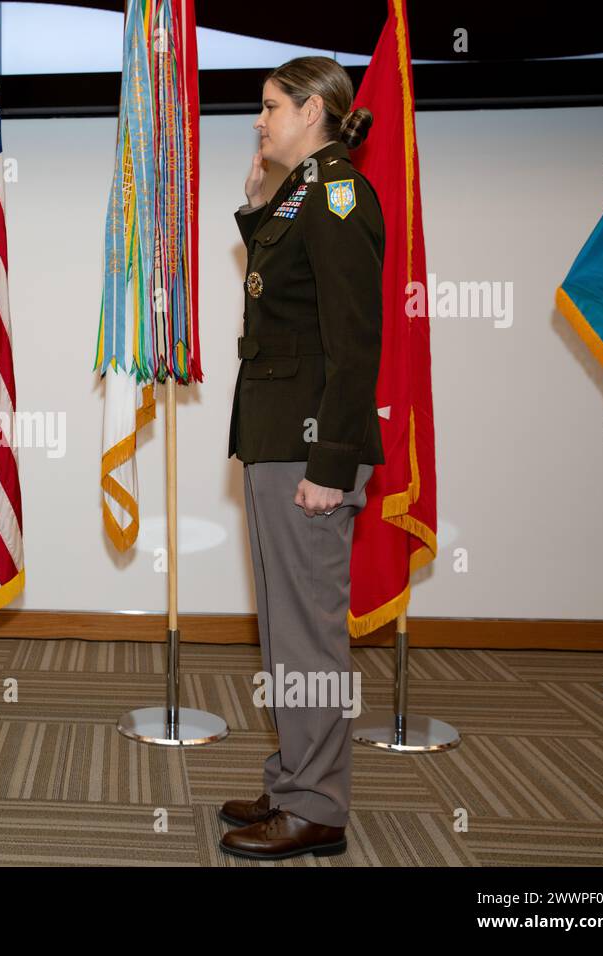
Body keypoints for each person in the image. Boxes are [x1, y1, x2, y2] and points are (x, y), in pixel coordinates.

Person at [219, 56, 385, 860]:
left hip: (310, 447)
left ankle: (317, 803)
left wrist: (331, 465)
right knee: (286, 630)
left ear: (315, 109)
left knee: (310, 634)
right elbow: (279, 298)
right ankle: (294, 777)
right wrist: (255, 208)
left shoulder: (339, 193)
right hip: (278, 438)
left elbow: (354, 343)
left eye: (272, 106)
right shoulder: (299, 195)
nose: (260, 120)